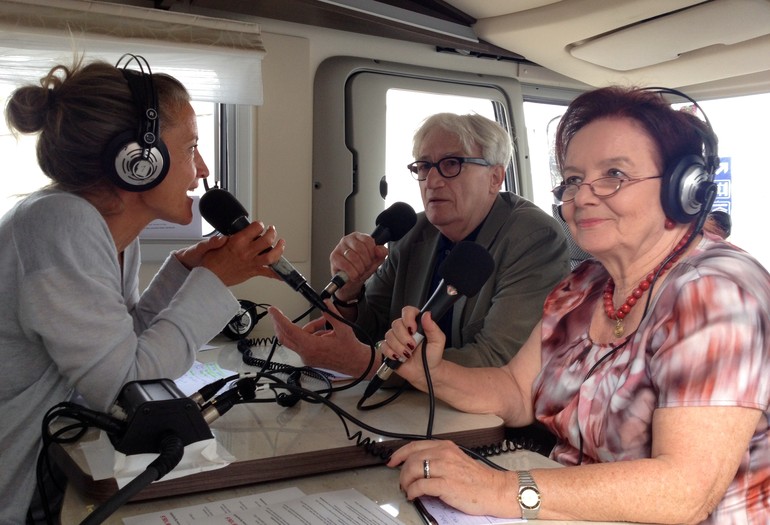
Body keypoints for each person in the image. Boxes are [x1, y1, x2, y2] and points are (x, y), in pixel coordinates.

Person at [383, 87, 770, 523]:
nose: (582, 197)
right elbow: (515, 390)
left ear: (684, 188)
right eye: (572, 180)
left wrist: (502, 488)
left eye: (613, 176)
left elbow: (686, 489)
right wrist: (431, 372)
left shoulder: (718, 290)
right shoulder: (584, 286)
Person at [0, 55, 285, 523]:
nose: (203, 168)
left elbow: (118, 348)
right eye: (191, 147)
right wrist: (216, 280)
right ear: (139, 160)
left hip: (49, 466)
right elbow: (124, 386)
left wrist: (181, 272)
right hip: (18, 486)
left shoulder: (106, 231)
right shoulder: (61, 224)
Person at [270, 113, 570, 380]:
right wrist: (349, 293)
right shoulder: (413, 232)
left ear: (495, 177)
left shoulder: (534, 238)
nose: (432, 180)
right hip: (407, 405)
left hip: (484, 418)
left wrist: (369, 363)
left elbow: (499, 362)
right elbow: (374, 328)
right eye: (424, 166)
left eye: (451, 164)